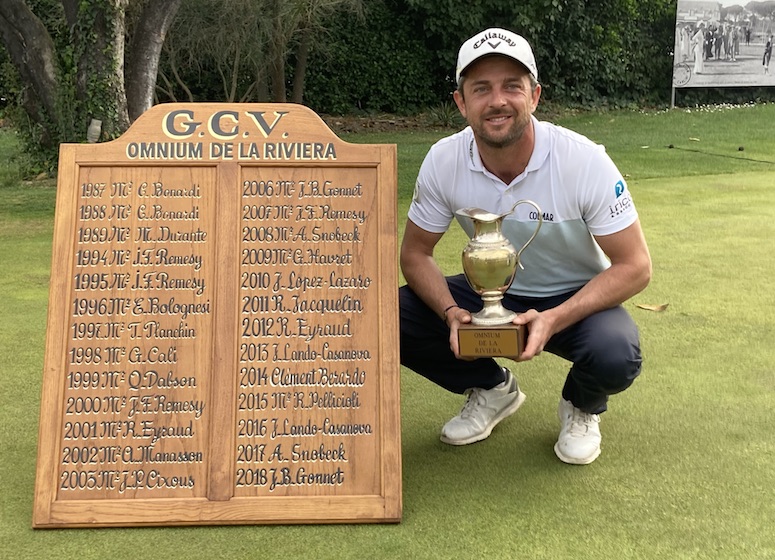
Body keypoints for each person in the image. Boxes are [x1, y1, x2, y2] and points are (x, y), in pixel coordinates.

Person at [399, 28, 651, 465]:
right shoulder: (443, 159)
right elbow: (415, 254)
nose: (497, 100)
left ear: (534, 96)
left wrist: (554, 318)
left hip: (574, 297)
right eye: (481, 88)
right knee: (388, 318)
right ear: (461, 103)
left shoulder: (583, 160)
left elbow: (636, 265)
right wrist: (450, 311)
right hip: (488, 296)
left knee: (616, 353)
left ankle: (581, 404)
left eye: (512, 86)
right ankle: (493, 388)